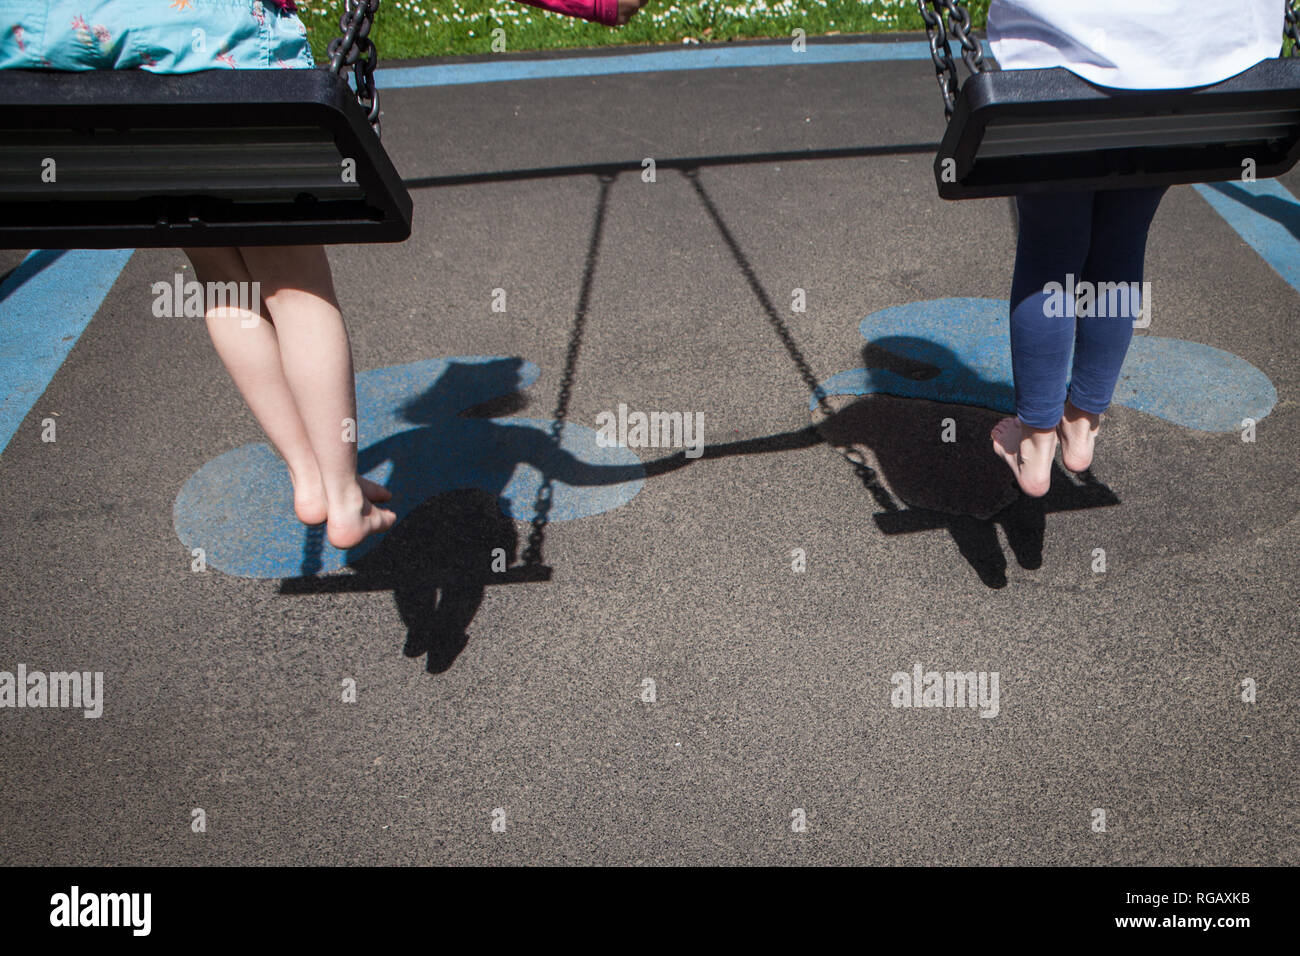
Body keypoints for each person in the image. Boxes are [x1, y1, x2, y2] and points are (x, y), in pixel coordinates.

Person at [0, 0, 647, 549]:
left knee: (220, 275)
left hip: (64, 67)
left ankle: (309, 476)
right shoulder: (515, 435)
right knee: (293, 280)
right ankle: (342, 497)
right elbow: (580, 470)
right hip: (217, 55)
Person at [985, 0, 1285, 496]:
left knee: (1050, 250)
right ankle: (1083, 421)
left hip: (1064, 59)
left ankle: (1036, 441)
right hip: (1202, 65)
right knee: (1123, 239)